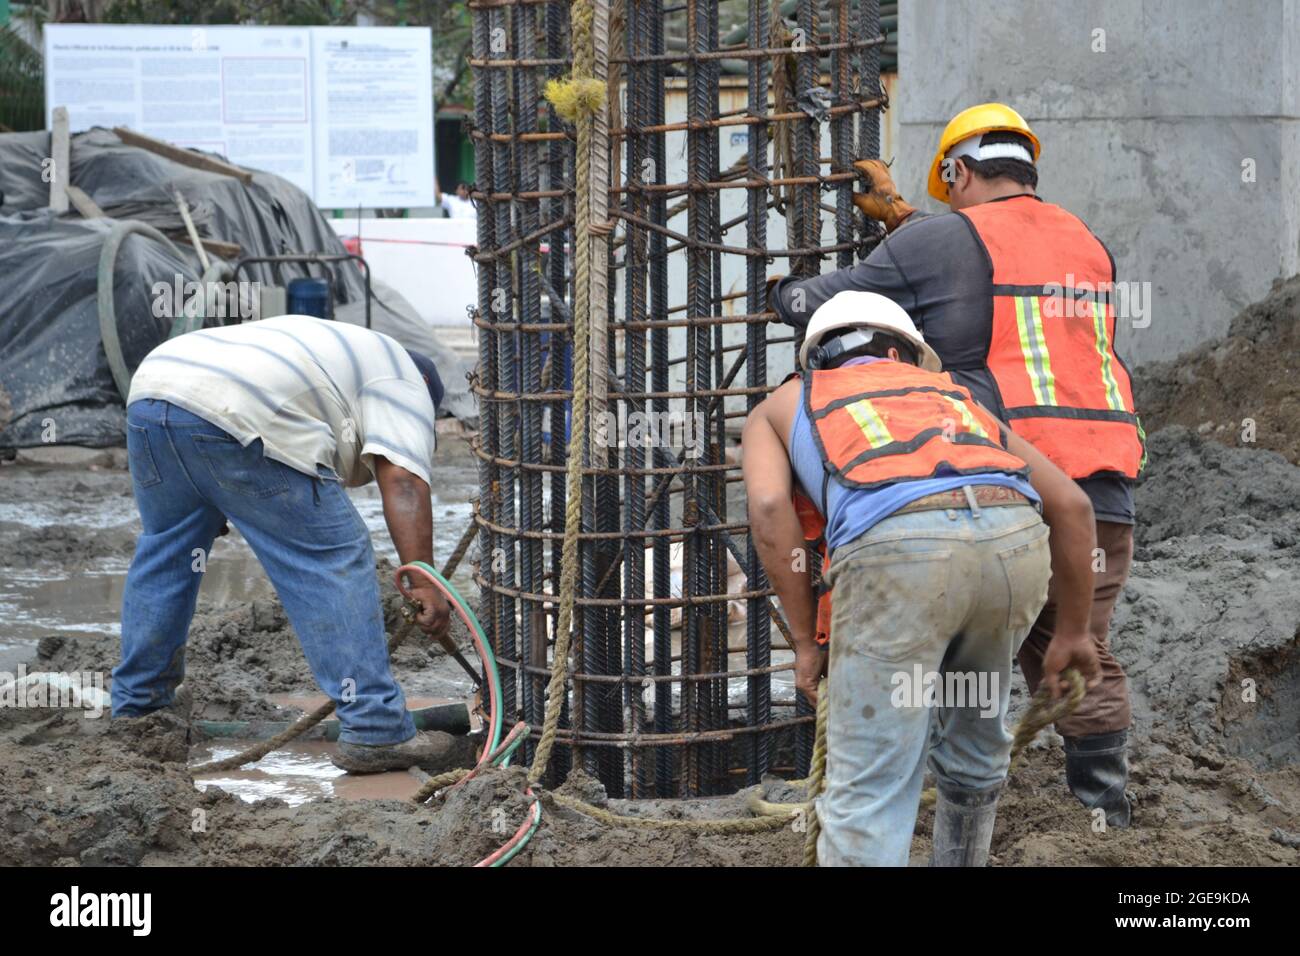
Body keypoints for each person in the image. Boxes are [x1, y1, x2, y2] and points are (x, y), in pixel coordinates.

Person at [769, 103, 1142, 827]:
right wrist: (910, 227)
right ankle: (1104, 815)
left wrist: (782, 291)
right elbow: (976, 277)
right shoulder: (1086, 242)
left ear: (958, 172)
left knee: (947, 653)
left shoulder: (940, 239)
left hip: (1000, 475)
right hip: (1103, 482)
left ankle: (925, 805)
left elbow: (827, 301)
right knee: (1076, 650)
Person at [743, 290, 1101, 866]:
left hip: (900, 553)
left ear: (817, 357)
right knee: (975, 743)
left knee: (870, 790)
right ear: (902, 351)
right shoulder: (956, 399)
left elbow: (765, 507)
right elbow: (1075, 507)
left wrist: (808, 642)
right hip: (1013, 547)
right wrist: (1075, 633)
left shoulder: (786, 402)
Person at [111, 315, 457, 774]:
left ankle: (140, 708)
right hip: (237, 406)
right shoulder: (405, 380)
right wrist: (425, 581)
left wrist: (209, 492)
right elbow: (405, 481)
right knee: (333, 553)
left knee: (168, 552)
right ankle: (376, 730)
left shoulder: (341, 354)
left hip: (155, 392)